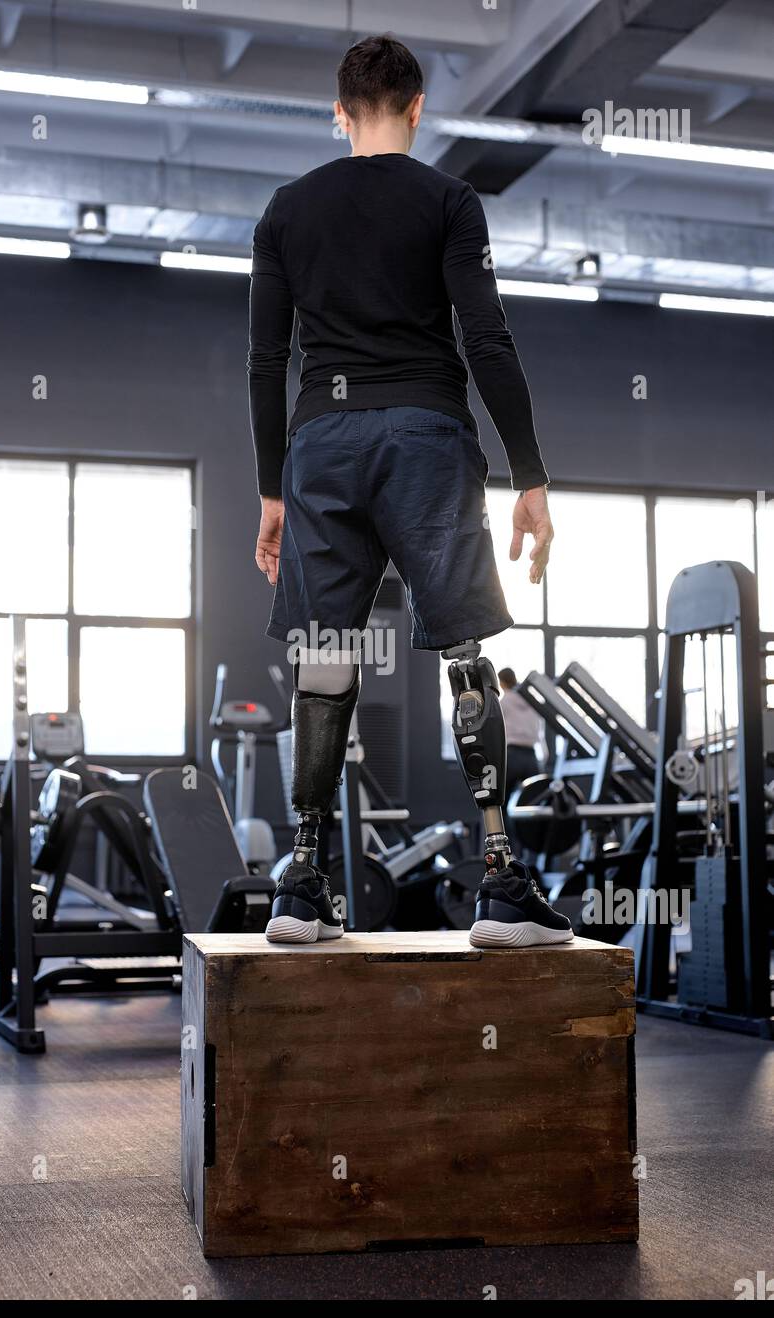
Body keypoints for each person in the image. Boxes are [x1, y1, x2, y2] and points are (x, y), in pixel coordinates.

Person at [248, 34, 572, 949]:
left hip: (320, 443)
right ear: (419, 107)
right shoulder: (448, 199)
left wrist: (273, 490)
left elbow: (266, 361)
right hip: (427, 432)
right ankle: (503, 885)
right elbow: (488, 340)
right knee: (462, 646)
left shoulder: (286, 211)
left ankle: (302, 886)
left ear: (339, 111)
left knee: (324, 651)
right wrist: (530, 475)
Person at [498, 667, 544, 798]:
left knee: (501, 798)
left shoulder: (504, 702)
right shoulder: (530, 701)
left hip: (512, 754)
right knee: (534, 799)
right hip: (531, 756)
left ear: (502, 682)